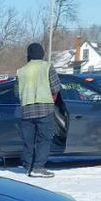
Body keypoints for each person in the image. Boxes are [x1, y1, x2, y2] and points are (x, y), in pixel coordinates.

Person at [16, 42, 61, 178]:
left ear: (28, 54)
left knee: (28, 141)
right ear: (42, 53)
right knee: (44, 139)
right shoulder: (47, 67)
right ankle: (38, 167)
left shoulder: (21, 71)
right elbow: (56, 87)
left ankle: (28, 166)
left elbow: (16, 92)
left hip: (26, 110)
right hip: (44, 109)